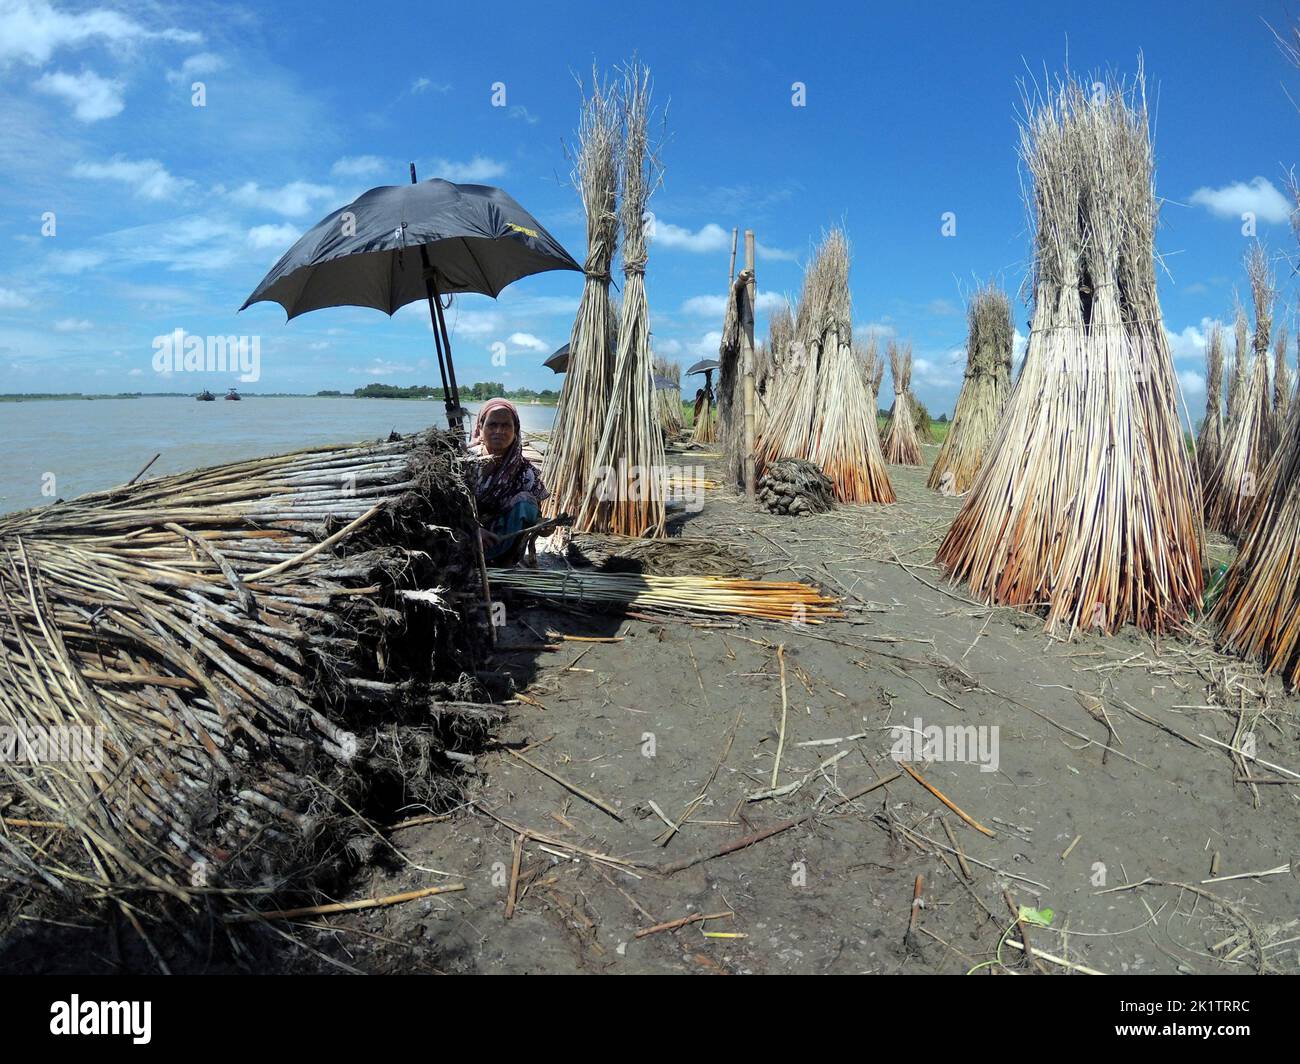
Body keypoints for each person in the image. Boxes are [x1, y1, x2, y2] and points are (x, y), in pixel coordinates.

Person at [469, 398, 548, 565]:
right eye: (492, 425)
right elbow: (447, 509)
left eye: (506, 425)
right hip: (465, 537)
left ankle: (504, 561)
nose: (499, 430)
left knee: (526, 502)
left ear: (515, 430)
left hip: (501, 541)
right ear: (480, 428)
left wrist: (544, 526)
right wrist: (473, 529)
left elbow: (534, 514)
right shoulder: (463, 463)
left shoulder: (525, 472)